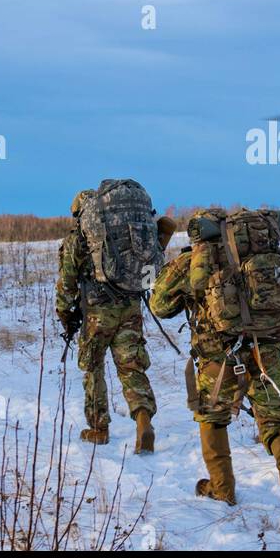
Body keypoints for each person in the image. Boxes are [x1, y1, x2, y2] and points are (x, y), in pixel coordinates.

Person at [149, 208, 280, 528]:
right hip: (266, 348)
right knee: (275, 419)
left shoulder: (195, 260)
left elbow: (160, 305)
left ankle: (222, 489)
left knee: (212, 417)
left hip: (218, 355)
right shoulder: (274, 251)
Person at [55, 188, 168, 452]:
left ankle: (99, 428)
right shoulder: (124, 229)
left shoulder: (79, 237)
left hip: (97, 313)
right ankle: (142, 421)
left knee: (93, 368)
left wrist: (64, 311)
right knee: (131, 366)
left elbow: (67, 281)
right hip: (130, 306)